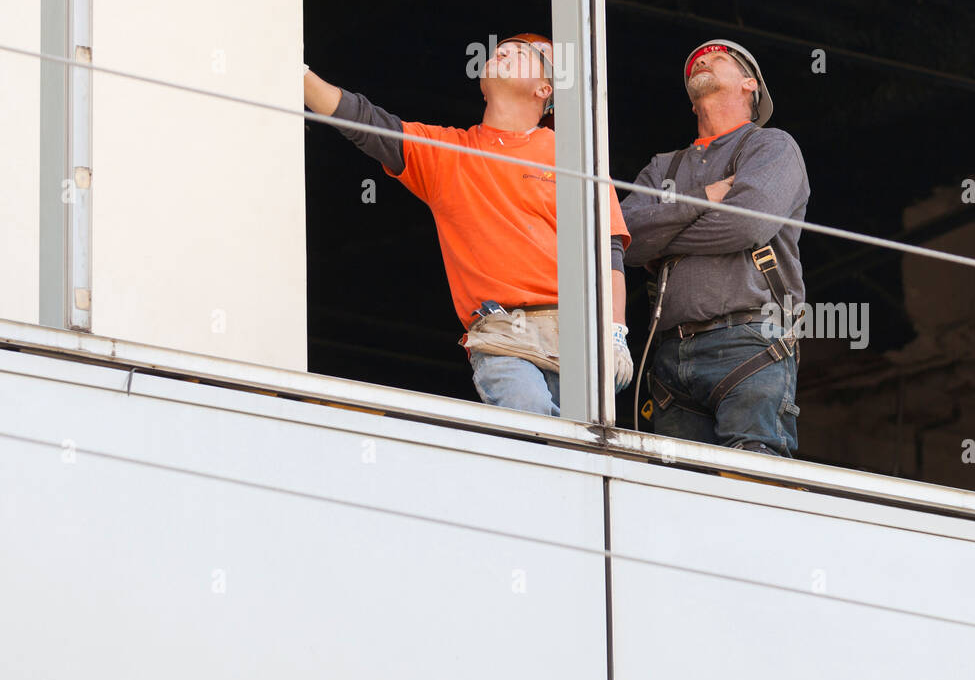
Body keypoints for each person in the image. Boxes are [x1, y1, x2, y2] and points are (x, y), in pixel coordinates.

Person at [304, 33, 632, 417]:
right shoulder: (449, 154)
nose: (502, 50)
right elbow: (365, 121)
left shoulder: (575, 157)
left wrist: (615, 333)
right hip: (503, 336)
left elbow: (606, 252)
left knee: (582, 452)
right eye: (500, 49)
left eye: (522, 53)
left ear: (545, 88)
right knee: (532, 416)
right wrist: (298, 75)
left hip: (578, 332)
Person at [622, 40, 809, 457]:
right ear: (691, 104)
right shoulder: (662, 167)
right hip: (670, 354)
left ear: (750, 85)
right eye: (695, 62)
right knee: (680, 499)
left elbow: (745, 225)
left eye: (717, 58)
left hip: (751, 341)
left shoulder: (771, 147)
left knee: (754, 480)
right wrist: (706, 196)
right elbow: (627, 236)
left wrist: (666, 239)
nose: (702, 60)